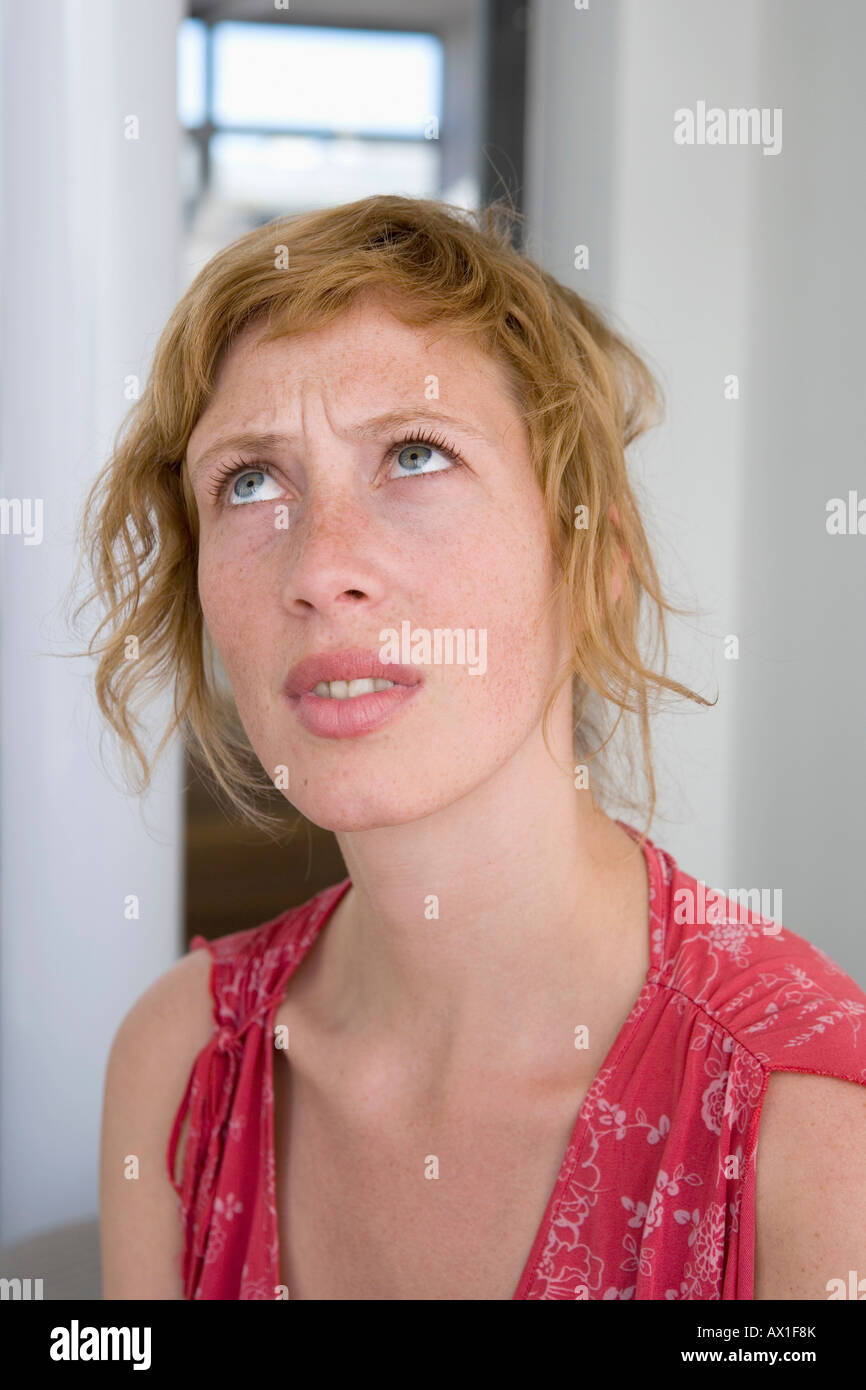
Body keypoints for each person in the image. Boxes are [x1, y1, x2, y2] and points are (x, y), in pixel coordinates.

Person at [76, 194, 866, 1300]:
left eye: (413, 453)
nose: (318, 566)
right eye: (249, 481)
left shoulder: (815, 1134)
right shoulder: (177, 1060)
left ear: (591, 556)